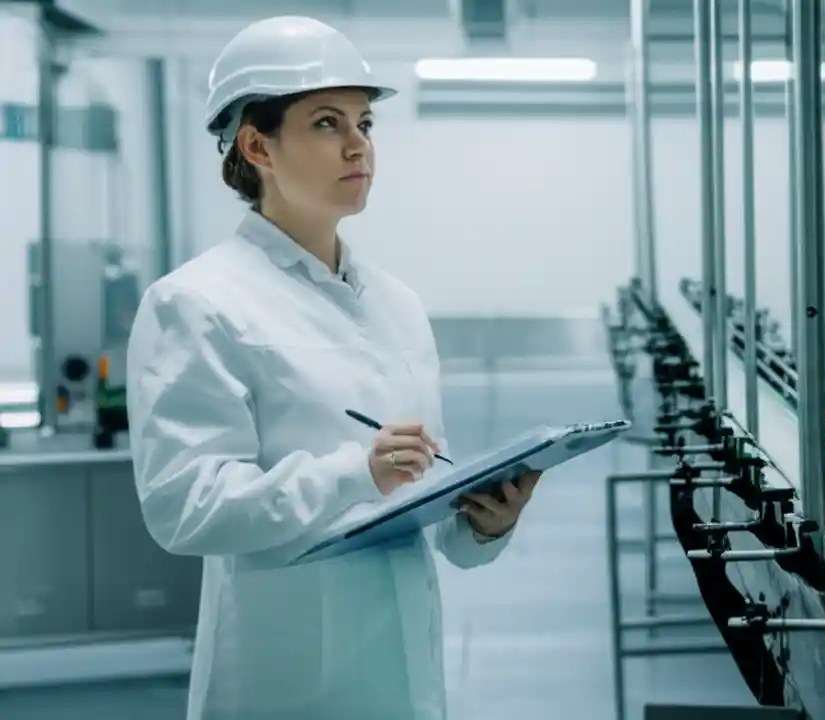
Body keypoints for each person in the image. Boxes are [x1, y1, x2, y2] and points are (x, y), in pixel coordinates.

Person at [125, 16, 539, 720]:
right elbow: (185, 509)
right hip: (282, 680)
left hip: (406, 679)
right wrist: (355, 473)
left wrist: (483, 523)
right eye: (326, 123)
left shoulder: (397, 306)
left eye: (365, 122)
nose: (358, 145)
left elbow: (430, 512)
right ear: (257, 145)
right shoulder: (196, 303)